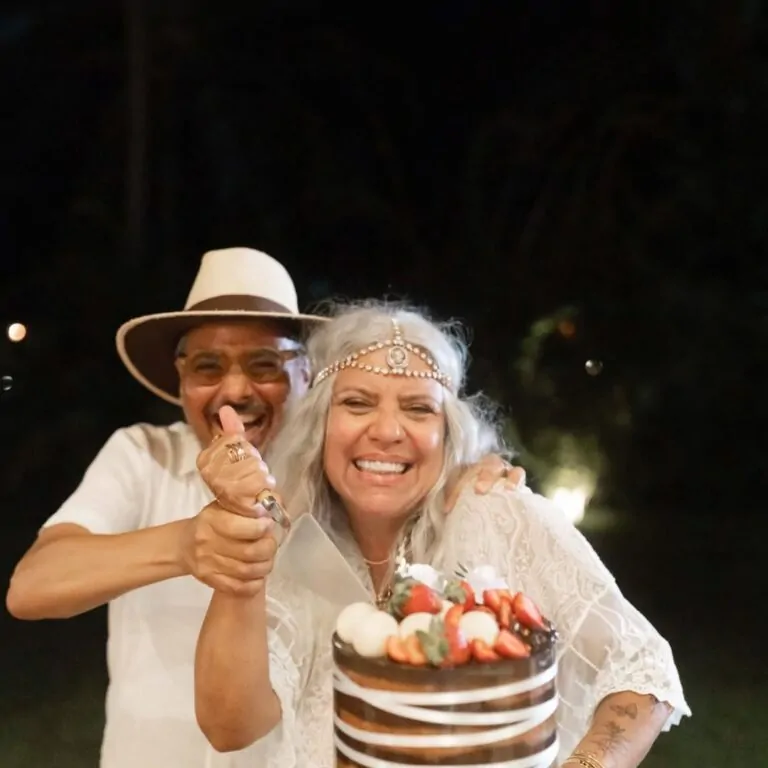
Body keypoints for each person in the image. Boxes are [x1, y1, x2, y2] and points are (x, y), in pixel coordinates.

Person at [5, 248, 522, 768]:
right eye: (209, 367)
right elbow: (32, 588)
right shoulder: (144, 456)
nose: (234, 390)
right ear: (180, 378)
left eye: (264, 365)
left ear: (305, 376)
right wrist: (188, 543)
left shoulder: (344, 479)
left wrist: (469, 475)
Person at [193, 301, 691, 768]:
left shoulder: (498, 516)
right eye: (358, 403)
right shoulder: (289, 546)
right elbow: (231, 726)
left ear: (449, 433)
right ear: (318, 425)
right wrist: (242, 533)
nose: (387, 431)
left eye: (418, 409)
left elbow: (643, 669)